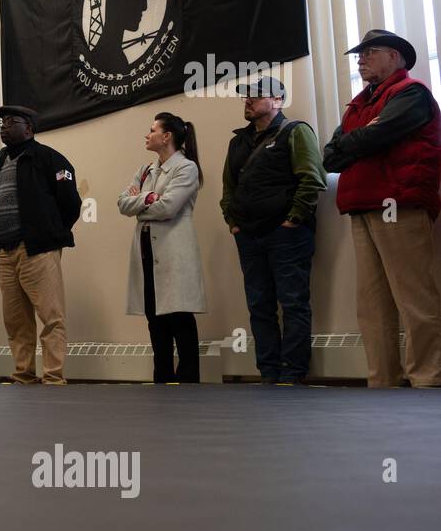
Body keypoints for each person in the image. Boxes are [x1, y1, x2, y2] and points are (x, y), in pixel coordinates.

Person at [323, 29, 441, 388]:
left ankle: (428, 378)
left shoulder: (412, 93)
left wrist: (356, 140)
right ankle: (383, 381)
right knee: (372, 305)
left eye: (369, 52)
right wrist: (363, 137)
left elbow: (377, 135)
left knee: (414, 297)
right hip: (362, 204)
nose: (360, 59)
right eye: (359, 54)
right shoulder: (359, 104)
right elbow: (330, 156)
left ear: (396, 57)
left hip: (397, 203)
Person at [222, 77, 326, 384]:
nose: (248, 101)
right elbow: (229, 188)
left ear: (278, 101)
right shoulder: (237, 141)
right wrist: (233, 223)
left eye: (256, 96)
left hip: (287, 235)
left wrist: (293, 219)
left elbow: (312, 179)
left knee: (293, 301)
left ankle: (292, 374)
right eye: (246, 96)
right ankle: (269, 373)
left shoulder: (295, 131)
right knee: (258, 305)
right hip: (248, 236)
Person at [0, 104, 82, 385]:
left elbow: (71, 203)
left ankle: (53, 377)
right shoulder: (1, 159)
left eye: (11, 121)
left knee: (51, 317)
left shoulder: (50, 158)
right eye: (1, 122)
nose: (4, 126)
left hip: (38, 249)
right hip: (6, 251)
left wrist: (50, 233)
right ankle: (23, 375)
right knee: (15, 321)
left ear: (29, 127)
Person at [118, 112, 206, 383]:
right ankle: (163, 377)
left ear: (166, 136)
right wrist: (150, 197)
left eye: (152, 129)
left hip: (173, 249)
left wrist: (141, 203)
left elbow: (169, 207)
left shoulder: (186, 168)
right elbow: (122, 203)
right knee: (155, 318)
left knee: (179, 316)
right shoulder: (145, 170)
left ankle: (188, 379)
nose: (147, 135)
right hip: (147, 249)